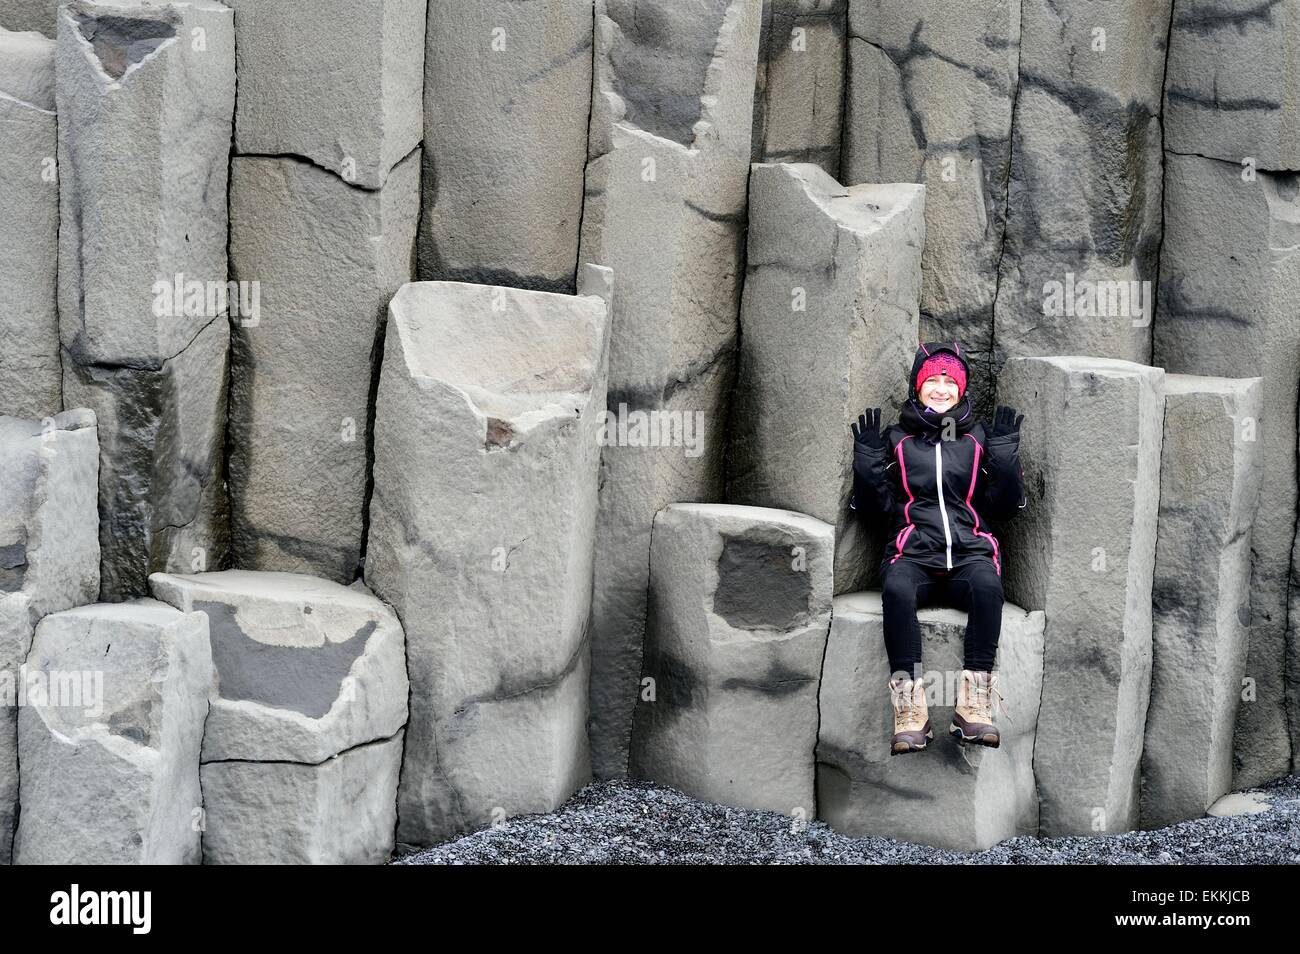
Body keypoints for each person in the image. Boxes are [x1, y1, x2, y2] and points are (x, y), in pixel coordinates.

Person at [849, 341, 1026, 756]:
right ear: (918, 387)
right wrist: (868, 463)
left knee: (987, 588)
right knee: (896, 589)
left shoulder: (979, 439)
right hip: (914, 556)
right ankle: (911, 711)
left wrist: (1003, 460)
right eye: (933, 380)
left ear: (962, 390)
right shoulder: (897, 439)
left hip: (969, 555)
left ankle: (974, 706)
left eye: (951, 381)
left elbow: (1006, 507)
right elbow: (877, 512)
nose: (942, 388)